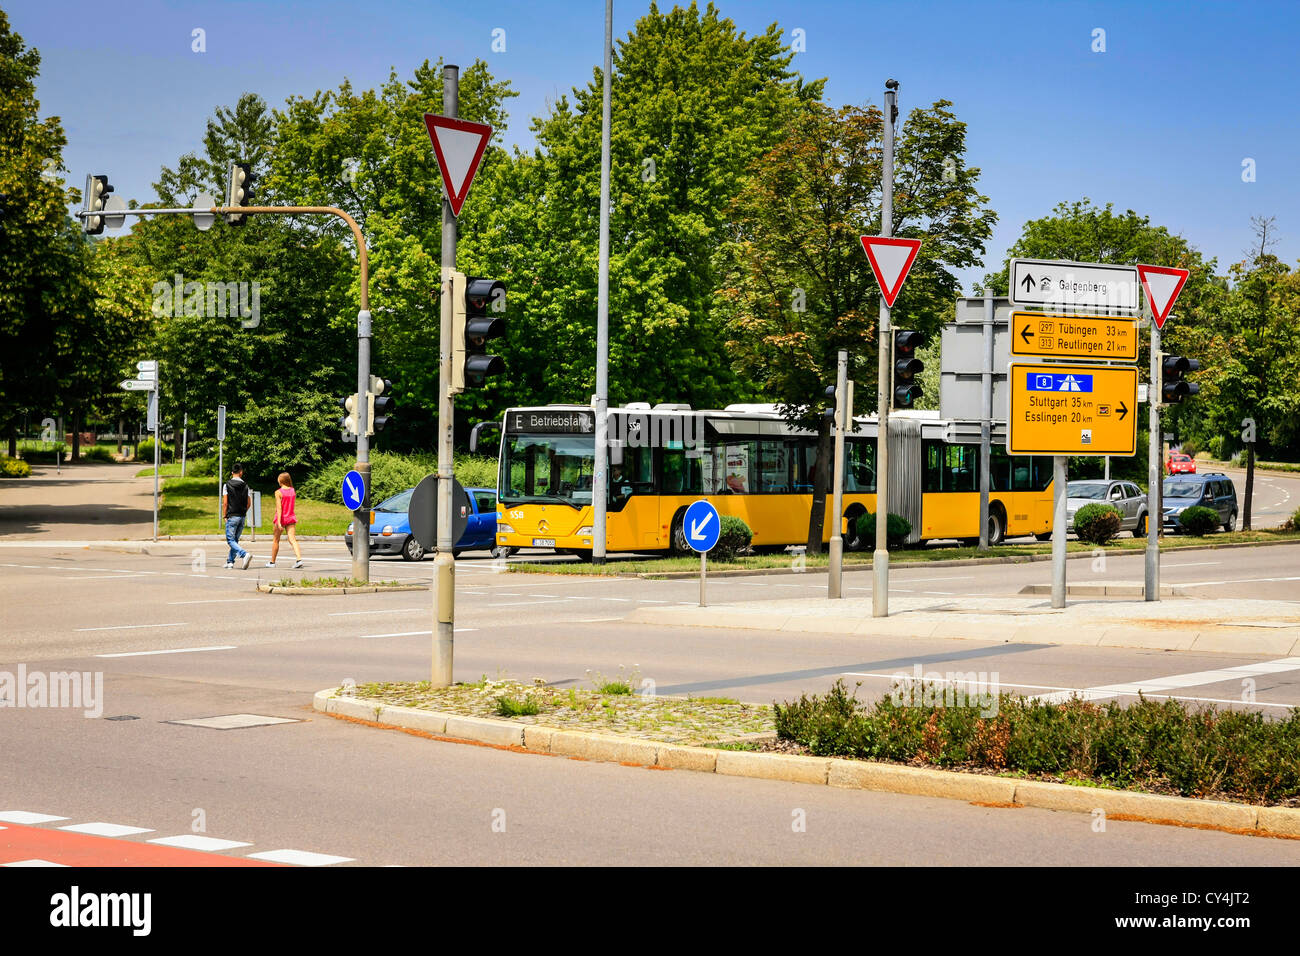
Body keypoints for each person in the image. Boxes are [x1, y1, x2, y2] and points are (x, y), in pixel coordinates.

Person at [265, 471, 303, 569]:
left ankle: (272, 562)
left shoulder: (278, 492)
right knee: (292, 539)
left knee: (276, 540)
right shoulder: (293, 491)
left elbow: (279, 508)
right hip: (291, 517)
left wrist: (278, 522)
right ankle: (299, 559)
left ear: (281, 480)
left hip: (281, 518)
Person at [221, 463, 254, 570]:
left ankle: (244, 554)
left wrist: (224, 515)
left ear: (232, 473)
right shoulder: (246, 485)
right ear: (241, 472)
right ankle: (230, 562)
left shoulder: (227, 485)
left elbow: (225, 503)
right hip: (242, 516)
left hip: (232, 515)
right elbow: (249, 503)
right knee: (235, 539)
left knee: (230, 540)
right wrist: (244, 511)